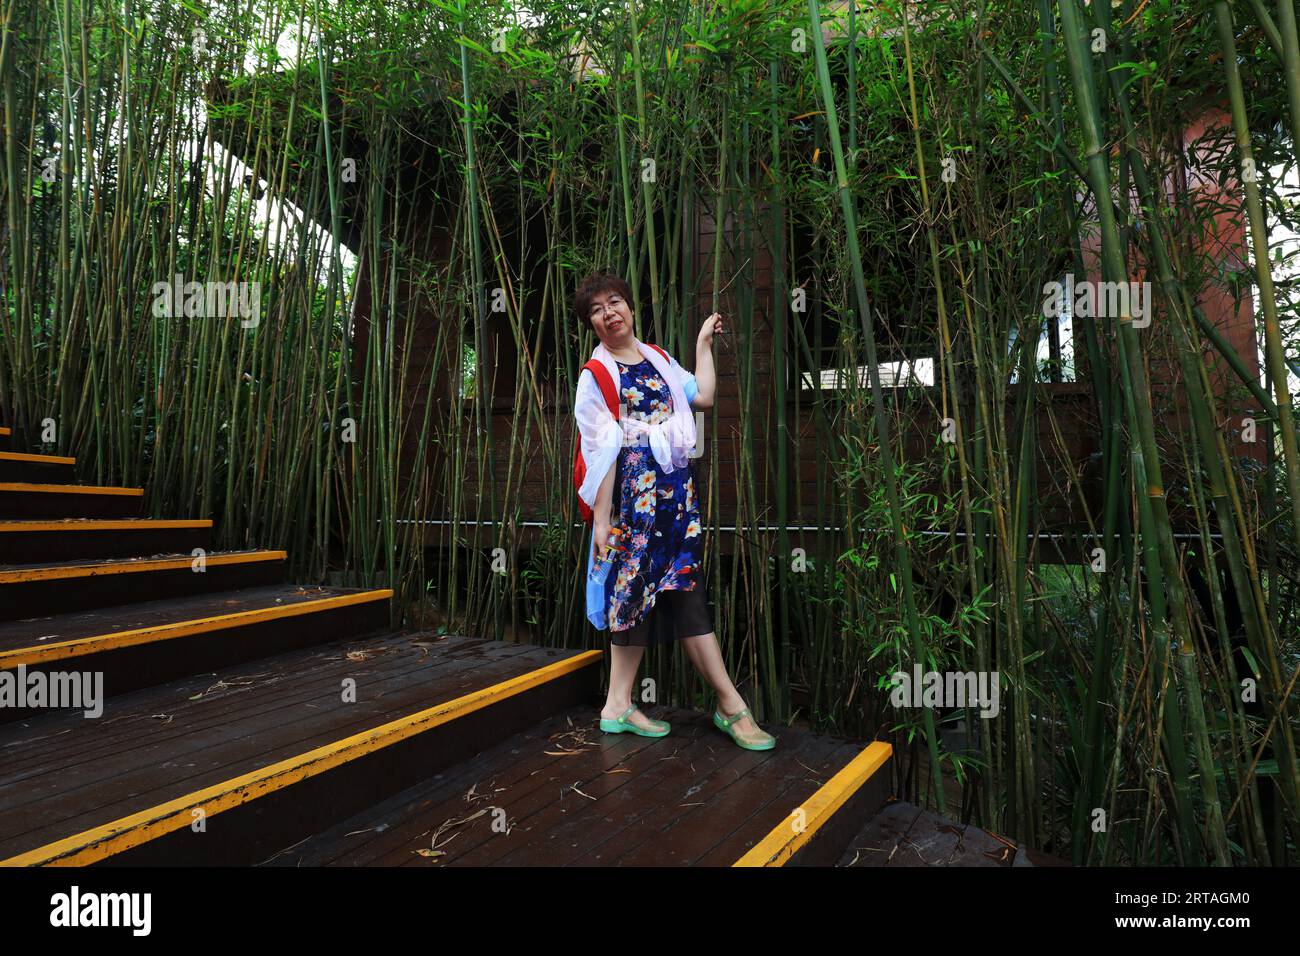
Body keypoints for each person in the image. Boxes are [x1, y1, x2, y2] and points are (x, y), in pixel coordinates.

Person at [572, 272, 774, 751]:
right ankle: (725, 706)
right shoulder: (595, 376)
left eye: (615, 301)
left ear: (630, 306)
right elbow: (600, 450)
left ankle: (623, 703)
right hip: (632, 500)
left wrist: (703, 343)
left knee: (681, 589)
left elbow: (701, 396)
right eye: (597, 309)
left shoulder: (659, 358)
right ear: (591, 323)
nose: (609, 312)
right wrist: (602, 521)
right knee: (634, 595)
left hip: (676, 495)